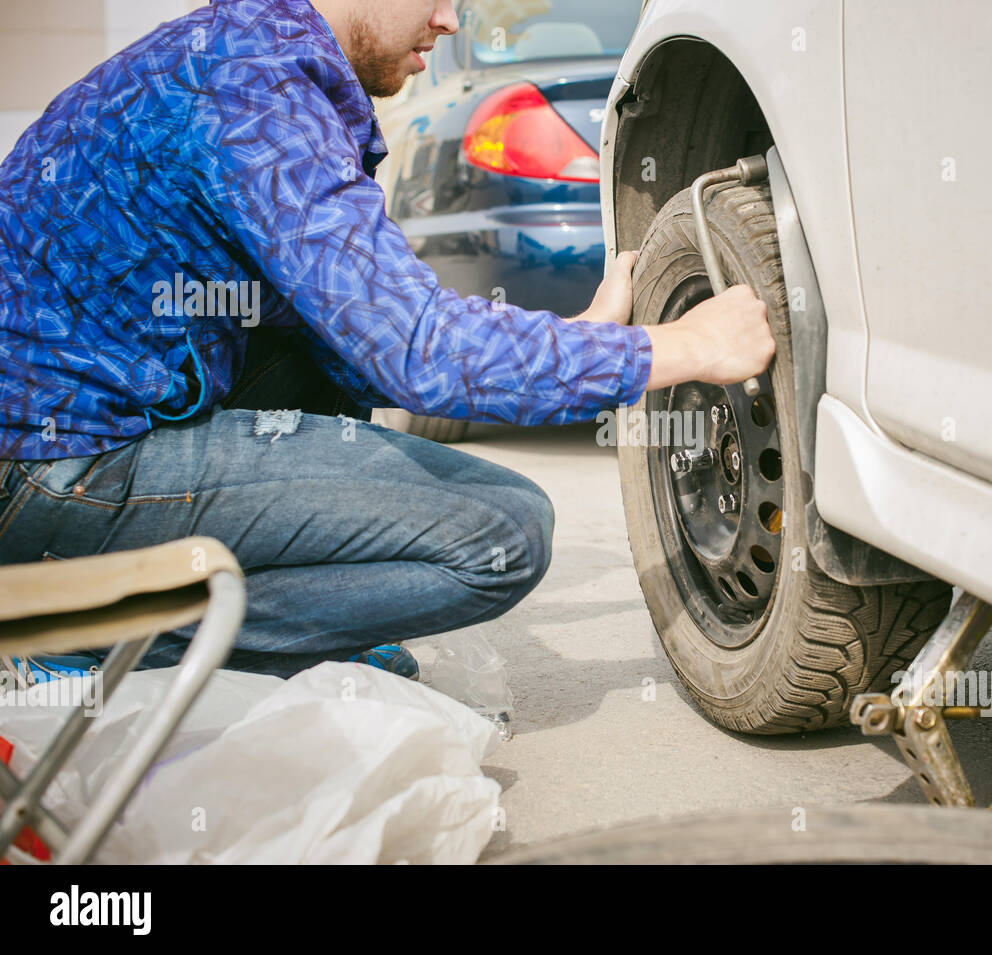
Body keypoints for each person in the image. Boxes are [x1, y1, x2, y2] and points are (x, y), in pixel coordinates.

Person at [0, 0, 774, 681]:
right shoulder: (254, 93)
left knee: (320, 348)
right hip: (49, 466)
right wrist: (681, 349)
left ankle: (196, 612)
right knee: (505, 531)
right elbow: (420, 353)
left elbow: (364, 338)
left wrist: (573, 339)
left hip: (68, 431)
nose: (449, 19)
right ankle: (104, 632)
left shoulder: (246, 55)